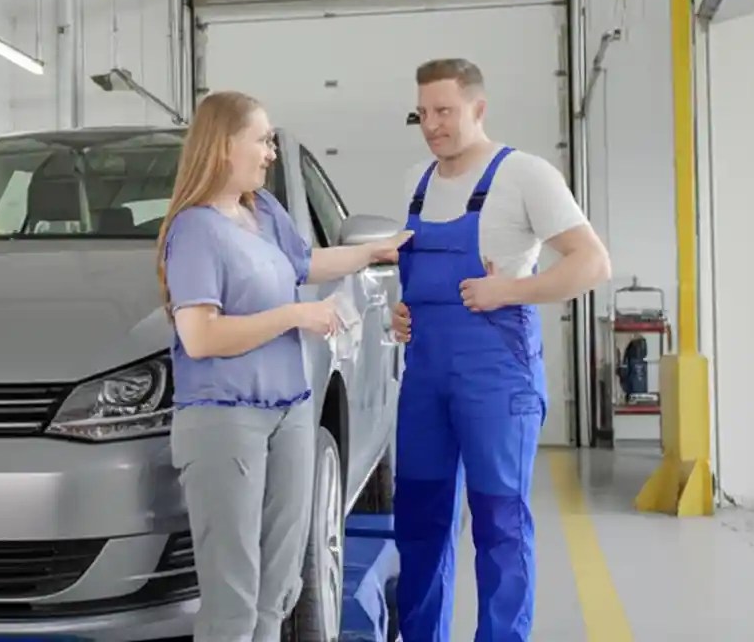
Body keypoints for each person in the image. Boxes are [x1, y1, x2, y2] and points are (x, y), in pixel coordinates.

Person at [155, 90, 411, 642]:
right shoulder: (194, 230)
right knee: (234, 596)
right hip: (226, 420)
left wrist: (376, 251)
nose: (270, 152)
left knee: (279, 587)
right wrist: (293, 314)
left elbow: (308, 261)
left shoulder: (263, 212)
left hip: (289, 412)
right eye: (263, 140)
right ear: (225, 146)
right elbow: (199, 337)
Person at [389, 59, 611, 641]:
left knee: (499, 525)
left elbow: (592, 263)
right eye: (424, 113)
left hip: (496, 377)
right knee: (419, 521)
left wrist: (509, 289)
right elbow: (409, 276)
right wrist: (400, 310)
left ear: (478, 109)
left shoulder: (524, 175)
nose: (433, 125)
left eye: (446, 111)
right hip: (425, 379)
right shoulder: (417, 180)